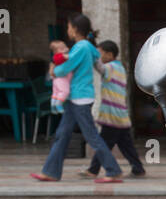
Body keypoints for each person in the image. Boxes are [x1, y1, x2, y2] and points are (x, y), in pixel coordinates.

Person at [30, 14, 123, 183]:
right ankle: (50, 172)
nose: (67, 30)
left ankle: (113, 170)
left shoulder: (81, 47)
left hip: (80, 98)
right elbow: (99, 66)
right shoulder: (89, 47)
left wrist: (53, 71)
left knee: (92, 137)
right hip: (77, 98)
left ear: (75, 29)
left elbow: (66, 68)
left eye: (68, 27)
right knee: (62, 134)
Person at [80, 40, 146, 179]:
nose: (99, 57)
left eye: (100, 53)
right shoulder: (120, 67)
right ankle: (138, 168)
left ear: (109, 55)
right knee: (126, 146)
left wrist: (89, 54)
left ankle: (93, 169)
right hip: (121, 115)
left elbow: (100, 68)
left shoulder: (110, 67)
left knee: (104, 143)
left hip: (112, 115)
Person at [48, 40, 71, 114]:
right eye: (62, 48)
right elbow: (70, 57)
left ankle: (53, 106)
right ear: (55, 52)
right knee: (65, 91)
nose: (65, 49)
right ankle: (59, 104)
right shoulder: (59, 56)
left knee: (56, 92)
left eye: (65, 47)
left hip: (55, 79)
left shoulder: (55, 57)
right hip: (61, 79)